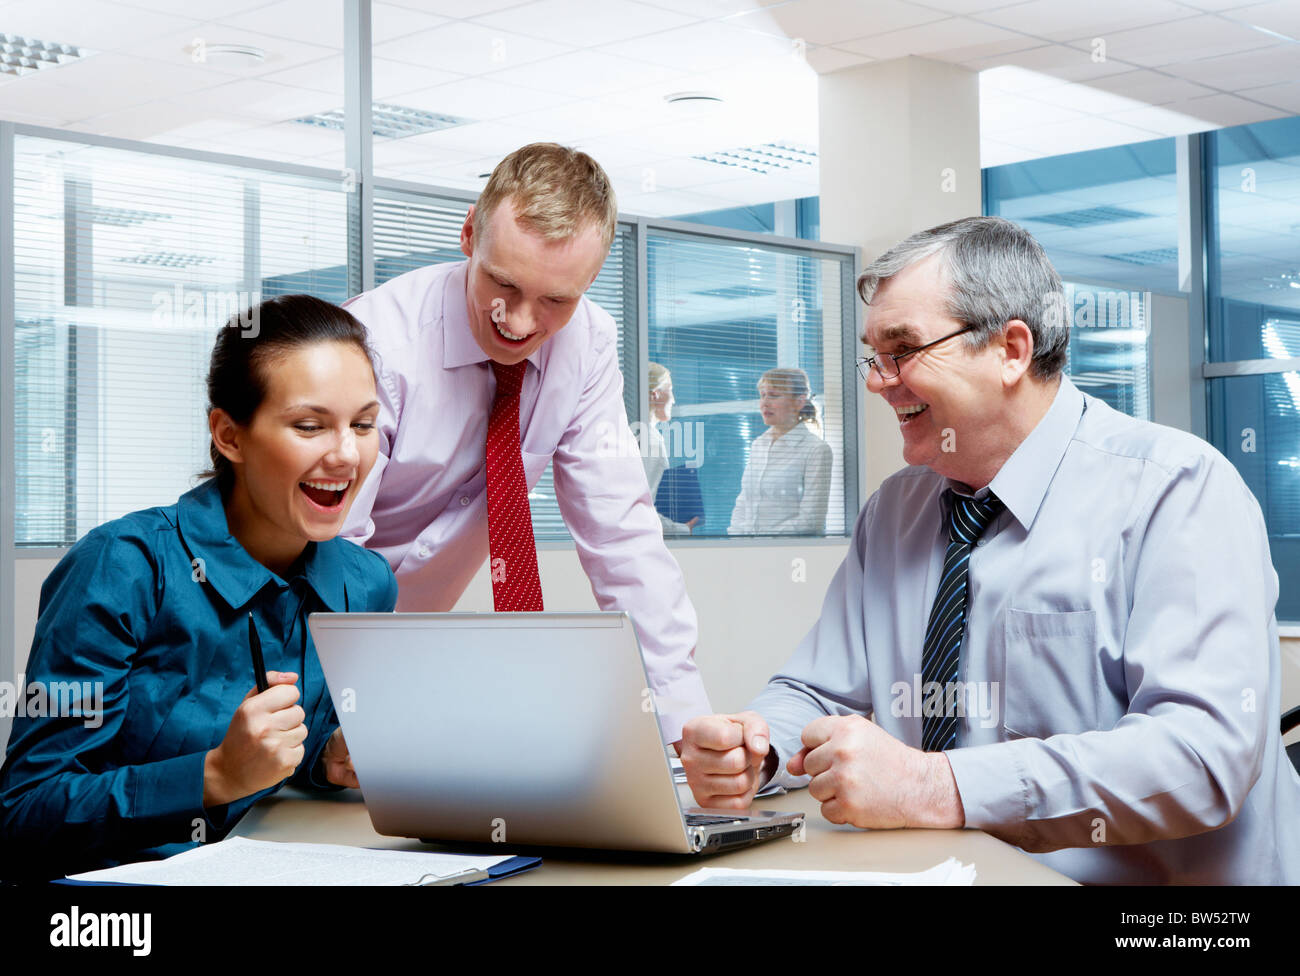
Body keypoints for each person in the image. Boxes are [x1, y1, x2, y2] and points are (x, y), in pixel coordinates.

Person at [681, 216, 1300, 884]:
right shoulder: (896, 510)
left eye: (903, 349)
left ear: (1010, 349)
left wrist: (936, 785)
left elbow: (1202, 758)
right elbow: (815, 686)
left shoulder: (1177, 491)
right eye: (873, 355)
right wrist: (757, 746)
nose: (878, 380)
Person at [0, 295, 397, 880]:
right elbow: (23, 815)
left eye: (363, 424)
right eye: (310, 425)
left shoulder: (366, 585)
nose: (345, 453)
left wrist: (327, 759)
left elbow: (288, 750)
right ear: (229, 436)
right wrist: (214, 775)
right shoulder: (123, 567)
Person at [339, 143, 709, 744]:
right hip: (302, 636)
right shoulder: (375, 343)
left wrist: (682, 728)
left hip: (403, 653)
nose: (518, 320)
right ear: (468, 235)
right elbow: (334, 548)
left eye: (556, 300)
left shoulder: (586, 342)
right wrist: (361, 704)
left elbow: (623, 535)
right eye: (503, 284)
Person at [727, 367, 833, 536]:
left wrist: (764, 539)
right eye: (762, 395)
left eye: (774, 395)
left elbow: (811, 521)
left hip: (788, 553)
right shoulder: (758, 445)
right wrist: (736, 539)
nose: (765, 403)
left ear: (799, 402)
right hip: (747, 550)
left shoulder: (816, 450)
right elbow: (743, 504)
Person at [641, 362, 697, 537]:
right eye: (670, 390)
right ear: (655, 394)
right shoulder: (650, 441)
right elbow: (641, 510)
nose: (674, 399)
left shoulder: (630, 433)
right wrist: (682, 529)